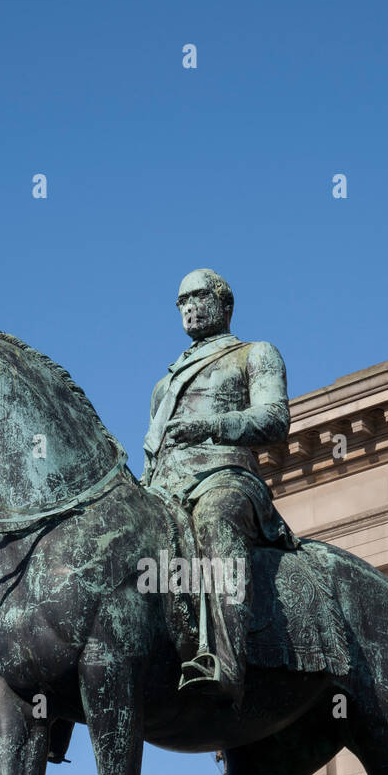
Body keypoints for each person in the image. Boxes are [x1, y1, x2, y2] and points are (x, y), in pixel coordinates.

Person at [141, 268, 298, 708]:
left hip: (226, 476)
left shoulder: (254, 353)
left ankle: (228, 665)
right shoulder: (163, 385)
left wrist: (212, 425)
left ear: (224, 304)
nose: (188, 307)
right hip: (166, 487)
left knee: (214, 517)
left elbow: (275, 420)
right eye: (181, 301)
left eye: (197, 297)